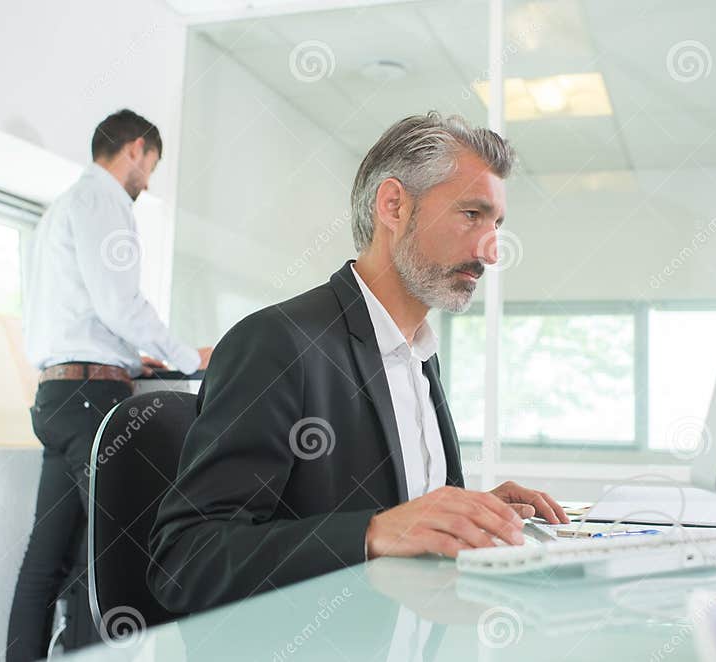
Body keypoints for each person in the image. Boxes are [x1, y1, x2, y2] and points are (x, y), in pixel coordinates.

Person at [148, 111, 569, 615]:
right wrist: (371, 534)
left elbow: (398, 512)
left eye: (496, 223)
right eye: (471, 215)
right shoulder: (277, 344)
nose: (491, 252)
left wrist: (466, 515)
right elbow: (185, 560)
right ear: (393, 205)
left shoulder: (419, 356)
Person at [7, 109, 211, 661]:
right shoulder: (104, 201)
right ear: (136, 150)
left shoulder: (61, 208)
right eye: (151, 166)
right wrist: (187, 356)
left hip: (58, 397)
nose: (148, 180)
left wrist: (130, 358)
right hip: (92, 400)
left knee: (47, 562)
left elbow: (84, 312)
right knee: (125, 557)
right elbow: (119, 302)